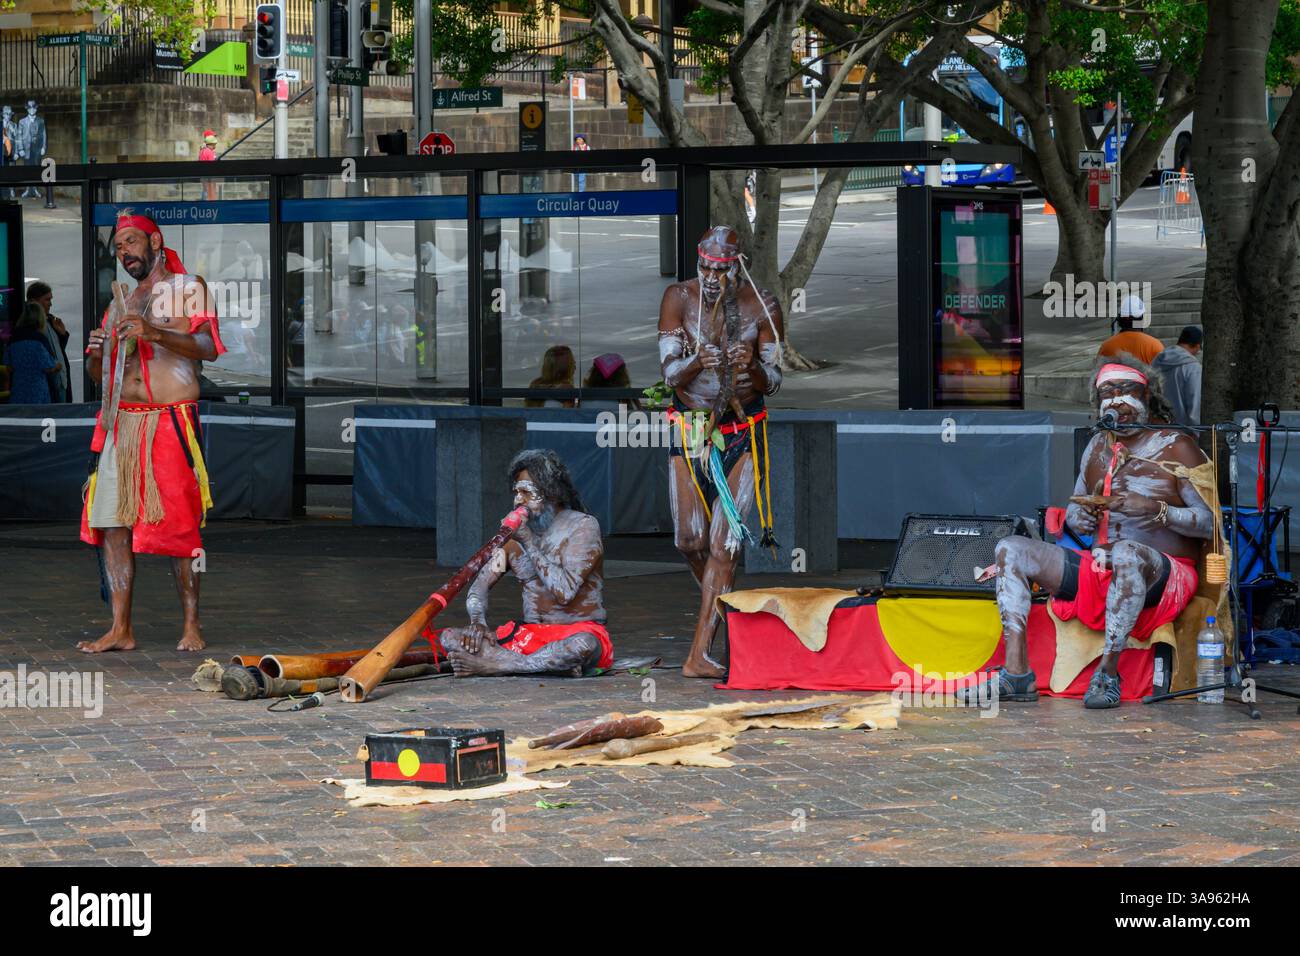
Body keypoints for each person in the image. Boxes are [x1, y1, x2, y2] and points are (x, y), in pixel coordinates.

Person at [962, 355, 1213, 709]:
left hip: (1165, 573)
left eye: (1125, 389)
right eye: (1106, 393)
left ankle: (1108, 674)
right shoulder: (1098, 446)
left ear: (1148, 395)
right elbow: (1078, 511)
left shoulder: (1179, 446)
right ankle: (1016, 675)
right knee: (1011, 548)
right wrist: (1079, 519)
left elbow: (1211, 523)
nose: (1115, 400)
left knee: (1127, 552)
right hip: (1099, 566)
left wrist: (1155, 510)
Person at [78, 211, 227, 654]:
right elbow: (99, 375)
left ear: (155, 240)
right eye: (118, 246)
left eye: (130, 242)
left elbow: (208, 348)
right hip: (120, 423)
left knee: (181, 530)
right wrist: (95, 355)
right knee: (112, 524)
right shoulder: (117, 304)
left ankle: (191, 624)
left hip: (168, 420)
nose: (124, 252)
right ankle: (120, 628)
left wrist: (154, 332)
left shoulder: (188, 288)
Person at [658, 225, 784, 678]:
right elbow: (670, 374)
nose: (711, 277)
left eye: (722, 269)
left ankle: (699, 655)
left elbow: (776, 379)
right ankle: (722, 604)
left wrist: (753, 367)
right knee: (689, 540)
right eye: (706, 267)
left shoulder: (763, 306)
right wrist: (697, 361)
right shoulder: (679, 298)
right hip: (690, 427)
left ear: (737, 267)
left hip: (744, 431)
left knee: (723, 544)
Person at [433, 449, 612, 677]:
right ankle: (547, 665)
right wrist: (477, 622)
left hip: (576, 632)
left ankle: (501, 664)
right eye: (516, 492)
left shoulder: (583, 527)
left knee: (583, 646)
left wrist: (528, 541)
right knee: (449, 637)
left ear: (553, 493)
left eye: (526, 492)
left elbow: (565, 592)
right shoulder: (513, 539)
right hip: (529, 636)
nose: (518, 500)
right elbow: (479, 587)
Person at [26, 282, 72, 402]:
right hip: (47, 384)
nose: (50, 304)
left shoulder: (51, 321)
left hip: (61, 381)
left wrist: (62, 334)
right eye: (47, 300)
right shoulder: (30, 325)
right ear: (33, 301)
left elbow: (57, 350)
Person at [6, 303, 60, 403]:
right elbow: (48, 367)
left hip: (18, 391)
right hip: (38, 392)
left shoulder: (13, 338)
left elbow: (9, 366)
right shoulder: (39, 339)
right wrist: (58, 366)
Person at [1151, 325, 1202, 425]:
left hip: (1158, 427)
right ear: (1197, 346)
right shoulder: (1193, 368)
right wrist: (1196, 431)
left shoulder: (1157, 360)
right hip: (1182, 430)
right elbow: (1194, 403)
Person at [1097, 294, 1163, 365]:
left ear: (1120, 318)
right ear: (1142, 319)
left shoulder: (1107, 346)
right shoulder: (1155, 346)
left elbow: (1098, 373)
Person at [198, 130, 219, 201]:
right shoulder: (207, 150)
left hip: (205, 174)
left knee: (206, 190)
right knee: (208, 191)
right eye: (213, 136)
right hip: (208, 175)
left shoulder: (205, 148)